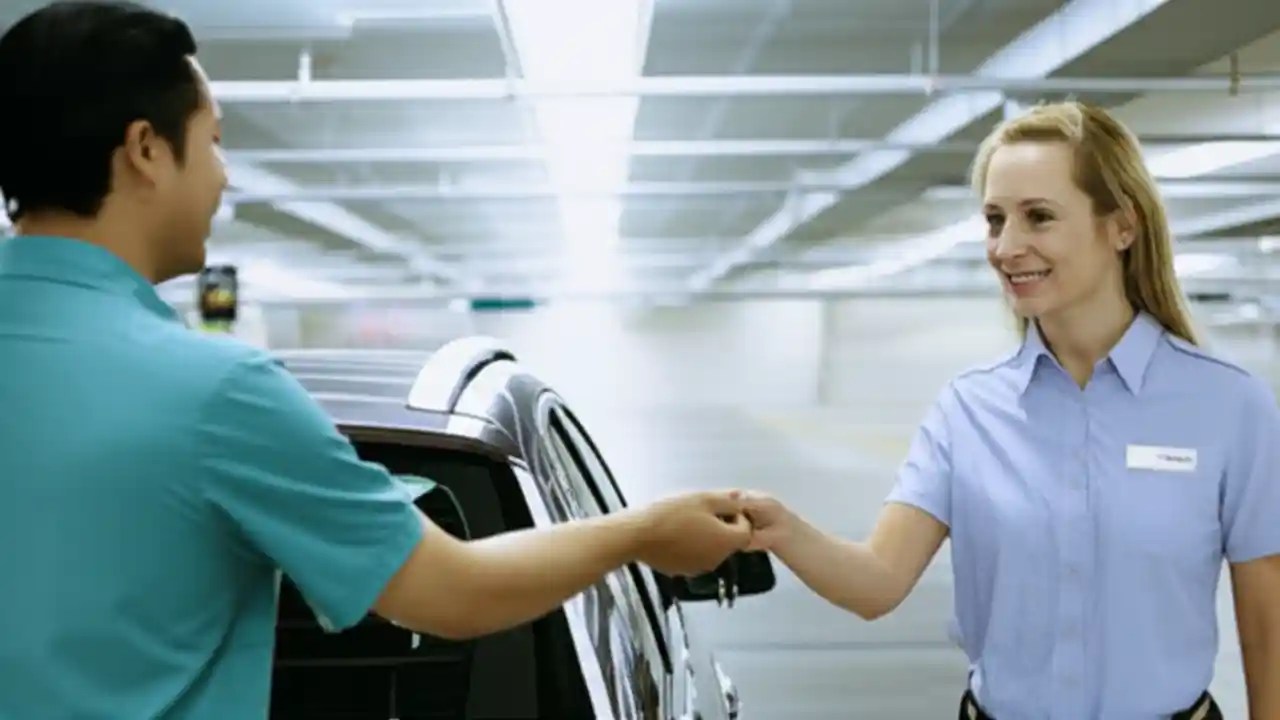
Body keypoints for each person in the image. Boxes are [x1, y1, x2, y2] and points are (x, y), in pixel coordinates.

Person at [0, 2, 754, 718]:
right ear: (146, 150)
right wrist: (643, 532)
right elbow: (453, 592)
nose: (225, 177)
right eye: (217, 142)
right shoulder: (218, 398)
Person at [743, 101, 1280, 719]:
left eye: (1039, 218)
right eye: (995, 220)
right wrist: (780, 528)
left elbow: (1268, 629)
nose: (1006, 246)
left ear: (1122, 226)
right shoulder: (968, 410)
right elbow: (876, 582)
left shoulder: (1228, 406)